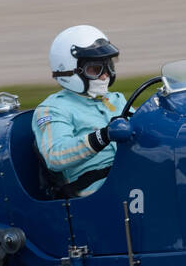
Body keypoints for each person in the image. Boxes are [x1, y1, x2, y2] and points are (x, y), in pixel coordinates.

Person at [32, 25, 132, 196]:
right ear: (71, 71)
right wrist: (102, 136)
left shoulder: (116, 99)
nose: (105, 75)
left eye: (108, 66)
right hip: (98, 192)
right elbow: (55, 156)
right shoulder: (53, 109)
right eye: (95, 69)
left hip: (131, 174)